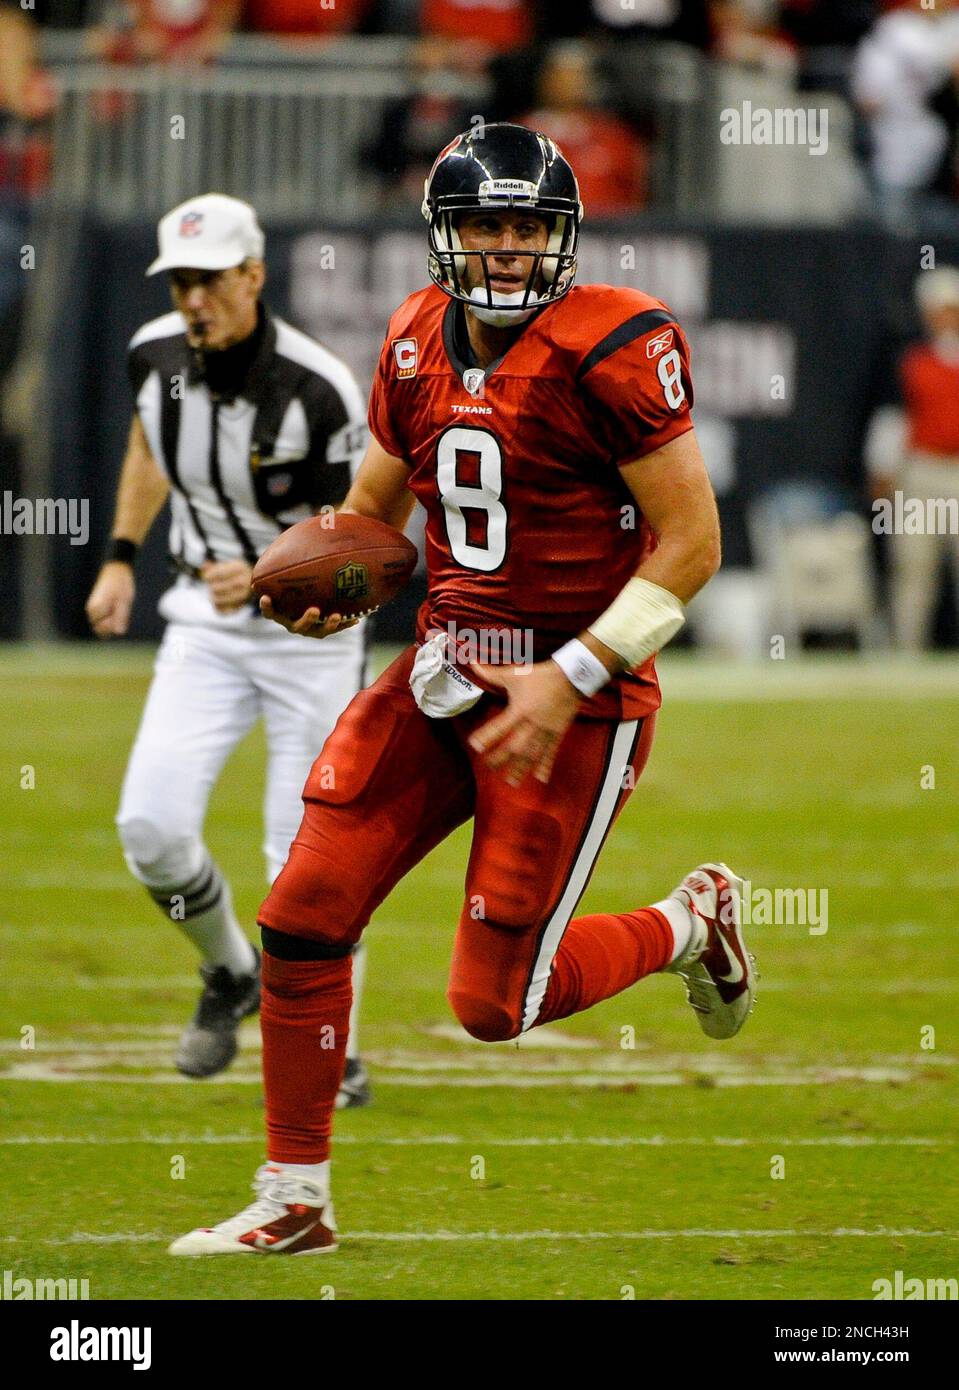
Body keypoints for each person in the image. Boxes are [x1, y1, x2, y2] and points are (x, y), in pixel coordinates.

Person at [169, 126, 757, 1256]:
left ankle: (690, 921)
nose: (505, 247)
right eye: (484, 224)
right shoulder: (412, 339)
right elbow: (372, 511)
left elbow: (690, 545)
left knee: (494, 1007)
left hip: (576, 695)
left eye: (526, 226)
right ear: (445, 235)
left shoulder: (615, 344)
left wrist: (569, 674)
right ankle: (294, 1197)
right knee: (301, 913)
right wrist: (327, 585)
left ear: (560, 237)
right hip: (443, 668)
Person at [86, 193, 372, 1103]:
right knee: (150, 829)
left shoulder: (318, 388)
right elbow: (148, 446)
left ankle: (335, 1047)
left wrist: (266, 574)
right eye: (180, 282)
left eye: (209, 280)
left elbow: (361, 537)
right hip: (202, 627)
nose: (193, 299)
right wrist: (121, 556)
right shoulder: (154, 352)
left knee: (306, 862)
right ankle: (230, 970)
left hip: (310, 642)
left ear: (254, 274)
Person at [866, 266, 959, 649]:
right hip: (922, 471)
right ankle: (907, 651)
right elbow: (893, 418)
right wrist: (883, 471)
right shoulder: (911, 361)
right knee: (914, 567)